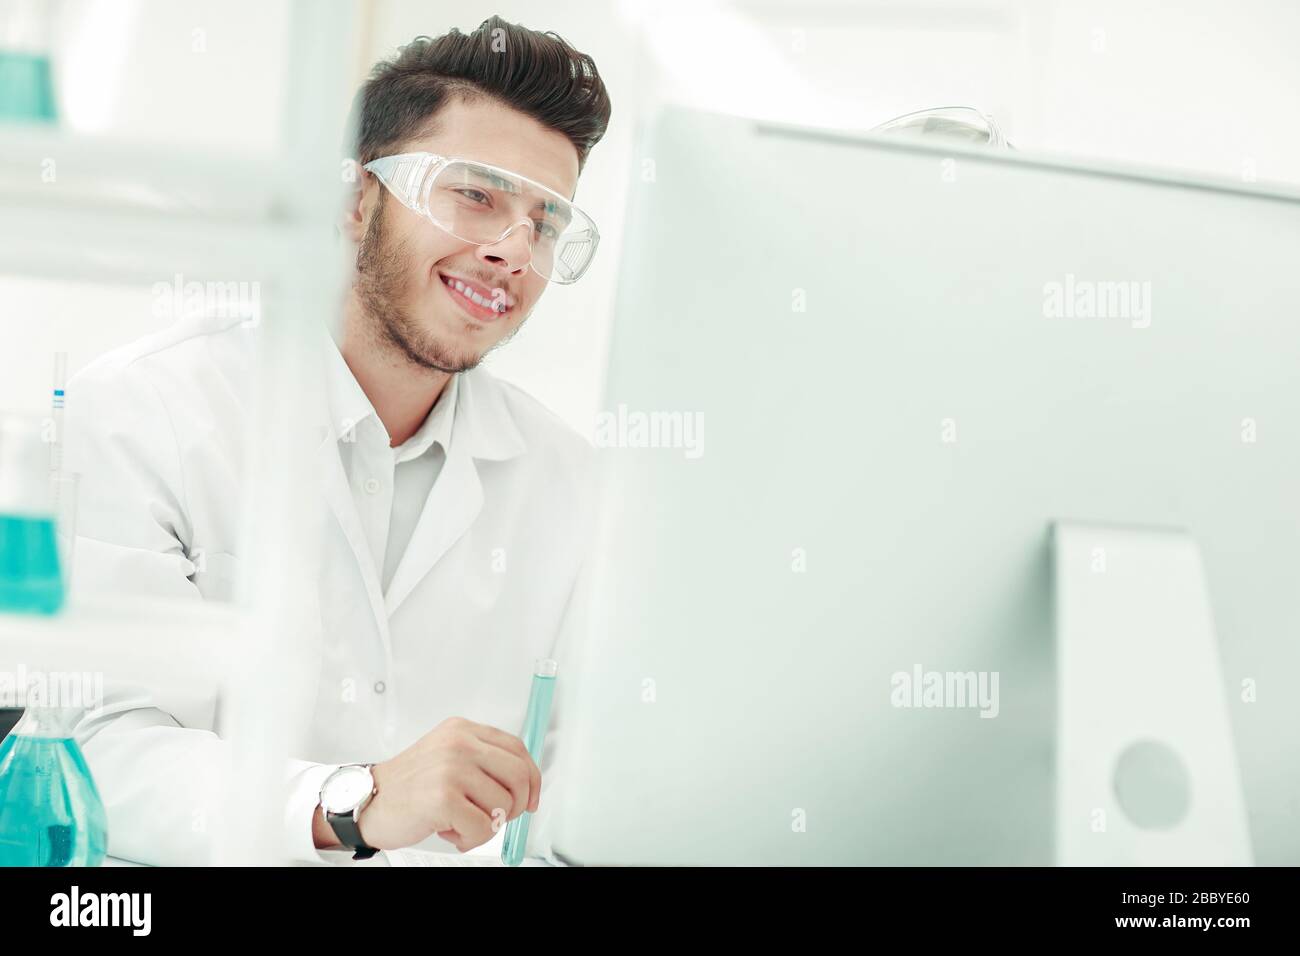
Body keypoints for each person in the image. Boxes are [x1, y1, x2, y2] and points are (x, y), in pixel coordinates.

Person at [62, 16, 611, 865]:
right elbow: (96, 757)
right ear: (356, 200)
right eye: (475, 195)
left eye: (543, 223)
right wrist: (353, 801)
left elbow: (591, 788)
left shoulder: (575, 484)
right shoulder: (148, 410)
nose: (512, 251)